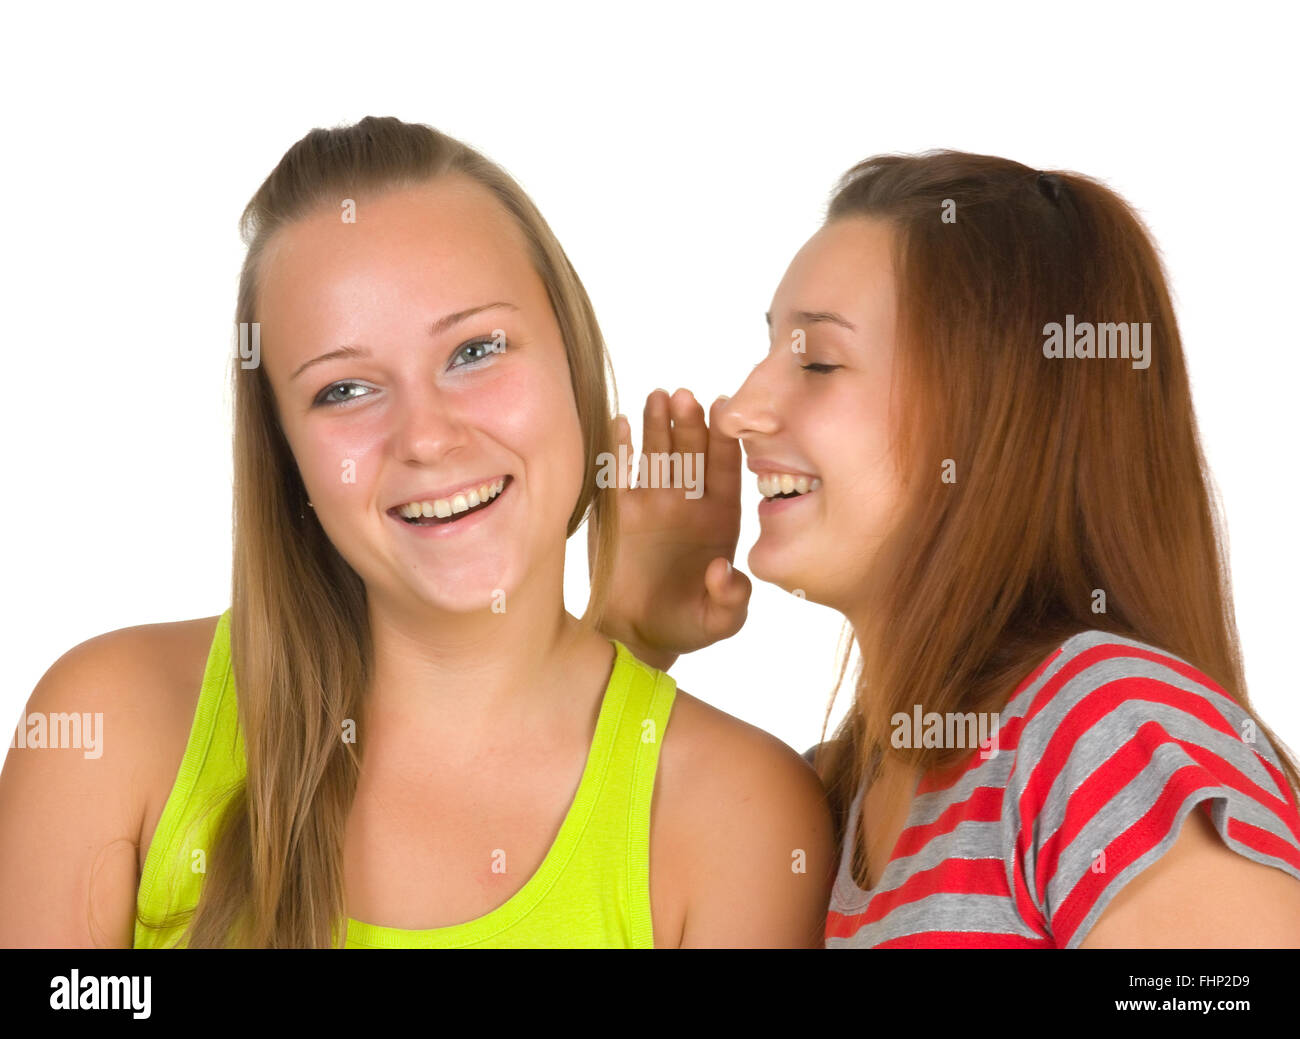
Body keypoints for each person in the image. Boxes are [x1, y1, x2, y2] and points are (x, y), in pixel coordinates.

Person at [0, 117, 833, 949]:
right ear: (286, 454)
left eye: (475, 349)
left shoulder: (737, 817)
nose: (426, 437)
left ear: (572, 361)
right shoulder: (111, 723)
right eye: (343, 390)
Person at [601, 151, 1300, 947]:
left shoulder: (1106, 731)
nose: (739, 410)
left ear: (993, 417)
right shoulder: (829, 806)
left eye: (819, 361)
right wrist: (628, 645)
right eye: (770, 352)